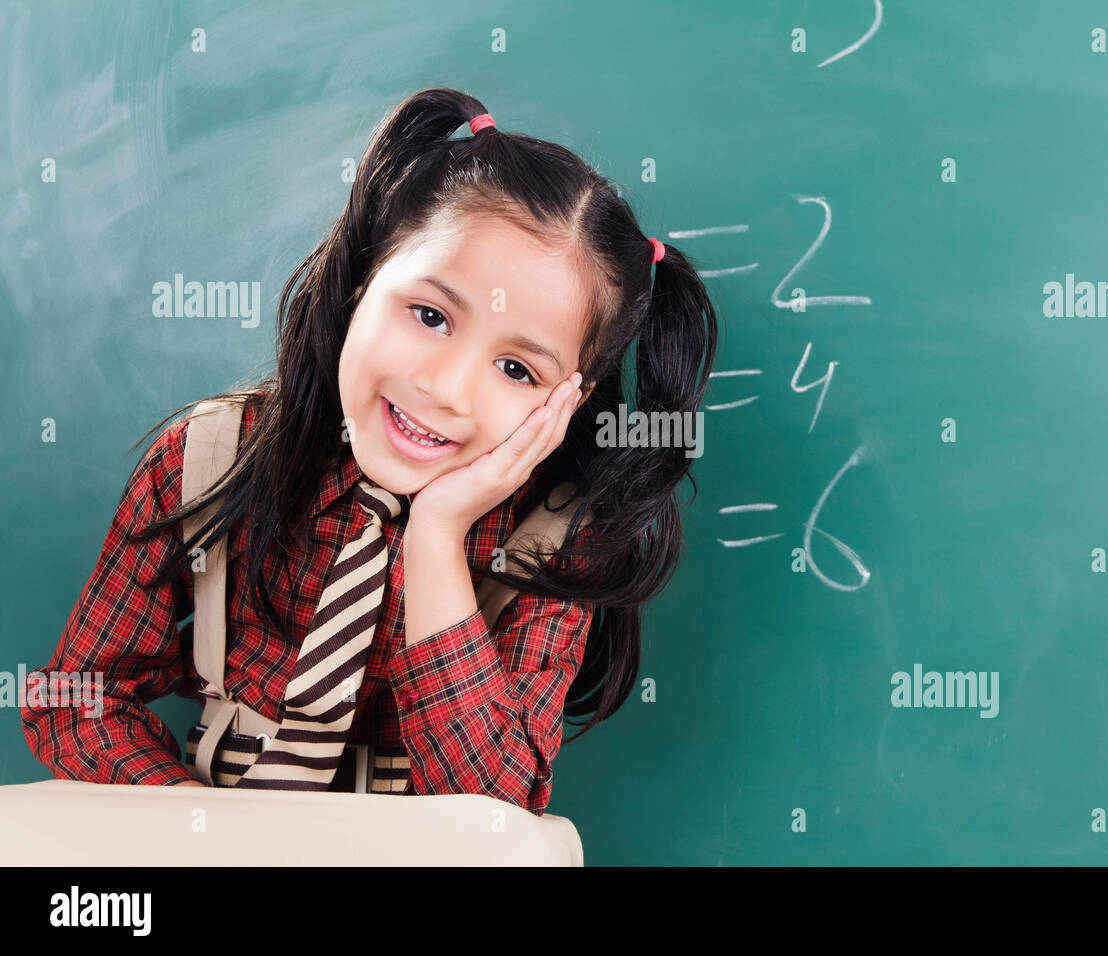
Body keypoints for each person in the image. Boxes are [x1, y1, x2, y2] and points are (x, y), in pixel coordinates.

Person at [20, 87, 719, 815]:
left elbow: (495, 812)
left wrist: (439, 540)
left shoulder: (556, 539)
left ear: (567, 403)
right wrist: (206, 834)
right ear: (361, 281)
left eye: (517, 369)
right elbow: (80, 698)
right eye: (429, 315)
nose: (444, 387)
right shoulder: (205, 458)